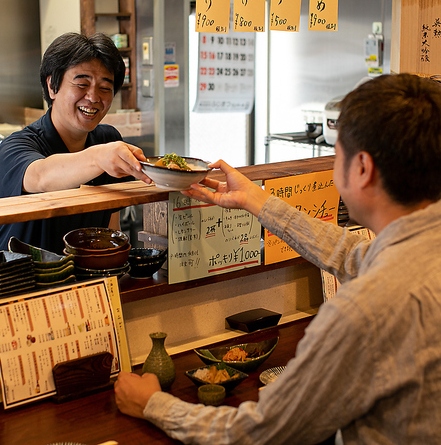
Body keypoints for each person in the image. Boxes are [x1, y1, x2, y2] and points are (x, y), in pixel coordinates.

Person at [114, 73, 441, 444]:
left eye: (338, 155)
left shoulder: (365, 311)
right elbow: (353, 255)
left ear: (362, 168)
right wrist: (255, 200)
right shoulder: (420, 249)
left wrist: (153, 405)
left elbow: (262, 433)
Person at [0, 32, 151, 255]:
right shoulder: (16, 146)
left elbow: (112, 227)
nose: (93, 97)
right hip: (16, 282)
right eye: (82, 84)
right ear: (52, 86)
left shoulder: (108, 140)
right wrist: (97, 158)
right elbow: (40, 177)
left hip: (83, 281)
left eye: (104, 88)